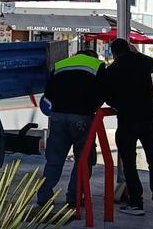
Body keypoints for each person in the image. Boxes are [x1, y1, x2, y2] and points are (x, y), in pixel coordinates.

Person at [100, 38, 153, 216]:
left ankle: (136, 202)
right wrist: (136, 53)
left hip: (127, 120)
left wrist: (120, 105)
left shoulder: (113, 69)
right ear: (129, 49)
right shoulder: (141, 62)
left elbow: (107, 96)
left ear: (114, 53)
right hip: (149, 119)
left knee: (129, 163)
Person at [35, 48, 105, 213]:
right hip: (82, 117)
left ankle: (44, 197)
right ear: (93, 57)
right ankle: (74, 197)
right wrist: (92, 108)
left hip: (58, 116)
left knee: (54, 159)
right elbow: (103, 92)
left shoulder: (61, 65)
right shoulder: (97, 66)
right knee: (84, 159)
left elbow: (48, 93)